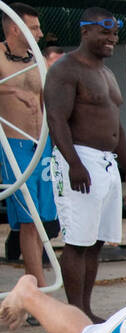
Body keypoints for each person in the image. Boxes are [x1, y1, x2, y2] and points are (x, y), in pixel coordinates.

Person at [42, 7, 126, 321]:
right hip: (80, 159)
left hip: (107, 163)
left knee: (98, 240)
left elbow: (118, 125)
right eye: (104, 32)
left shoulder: (106, 73)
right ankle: (76, 313)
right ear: (85, 32)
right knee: (78, 240)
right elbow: (56, 118)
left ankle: (85, 307)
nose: (111, 39)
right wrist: (73, 163)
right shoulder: (66, 69)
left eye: (114, 34)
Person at [0, 3, 57, 287]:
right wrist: (11, 90)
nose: (40, 33)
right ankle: (37, 284)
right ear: (15, 27)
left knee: (43, 218)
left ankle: (35, 283)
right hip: (14, 144)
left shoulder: (37, 59)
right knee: (29, 218)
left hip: (42, 144)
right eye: (33, 27)